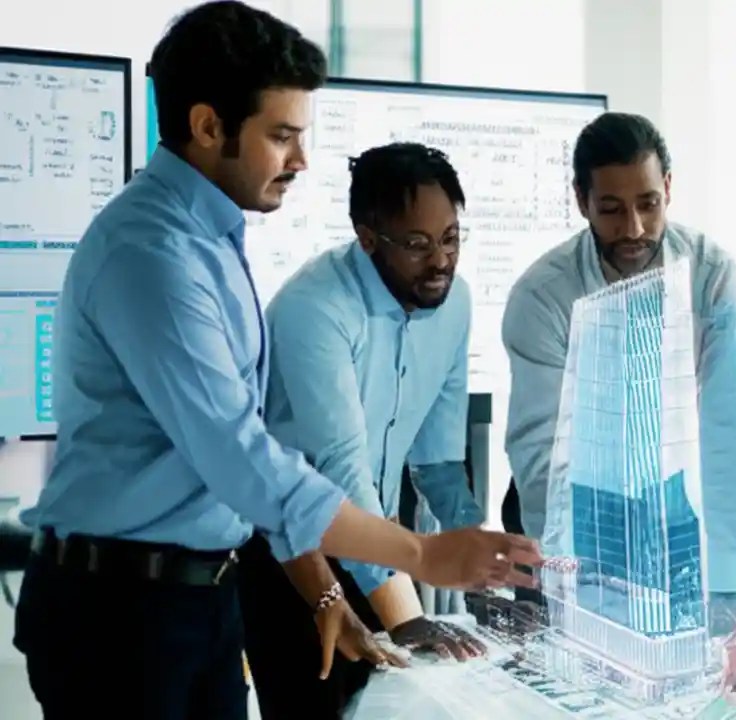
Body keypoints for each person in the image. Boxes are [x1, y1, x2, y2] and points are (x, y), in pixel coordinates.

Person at [13, 4, 539, 718]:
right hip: (119, 614)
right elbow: (242, 460)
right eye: (282, 135)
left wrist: (326, 594)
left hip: (198, 598)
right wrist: (418, 552)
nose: (300, 160)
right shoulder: (154, 255)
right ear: (207, 127)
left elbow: (250, 465)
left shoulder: (214, 240)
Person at [237, 142, 489, 719]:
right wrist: (403, 612)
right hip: (294, 556)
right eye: (418, 245)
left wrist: (483, 563)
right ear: (368, 236)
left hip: (376, 545)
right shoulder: (316, 306)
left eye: (450, 238)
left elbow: (438, 458)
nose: (441, 261)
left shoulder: (456, 302)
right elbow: (344, 469)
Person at [502, 111, 736, 631]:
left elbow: (729, 432)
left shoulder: (712, 277)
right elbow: (543, 458)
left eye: (649, 204)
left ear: (667, 188)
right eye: (612, 210)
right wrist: (570, 586)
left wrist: (728, 583)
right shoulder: (542, 297)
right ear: (582, 201)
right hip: (570, 501)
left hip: (677, 496)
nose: (634, 229)